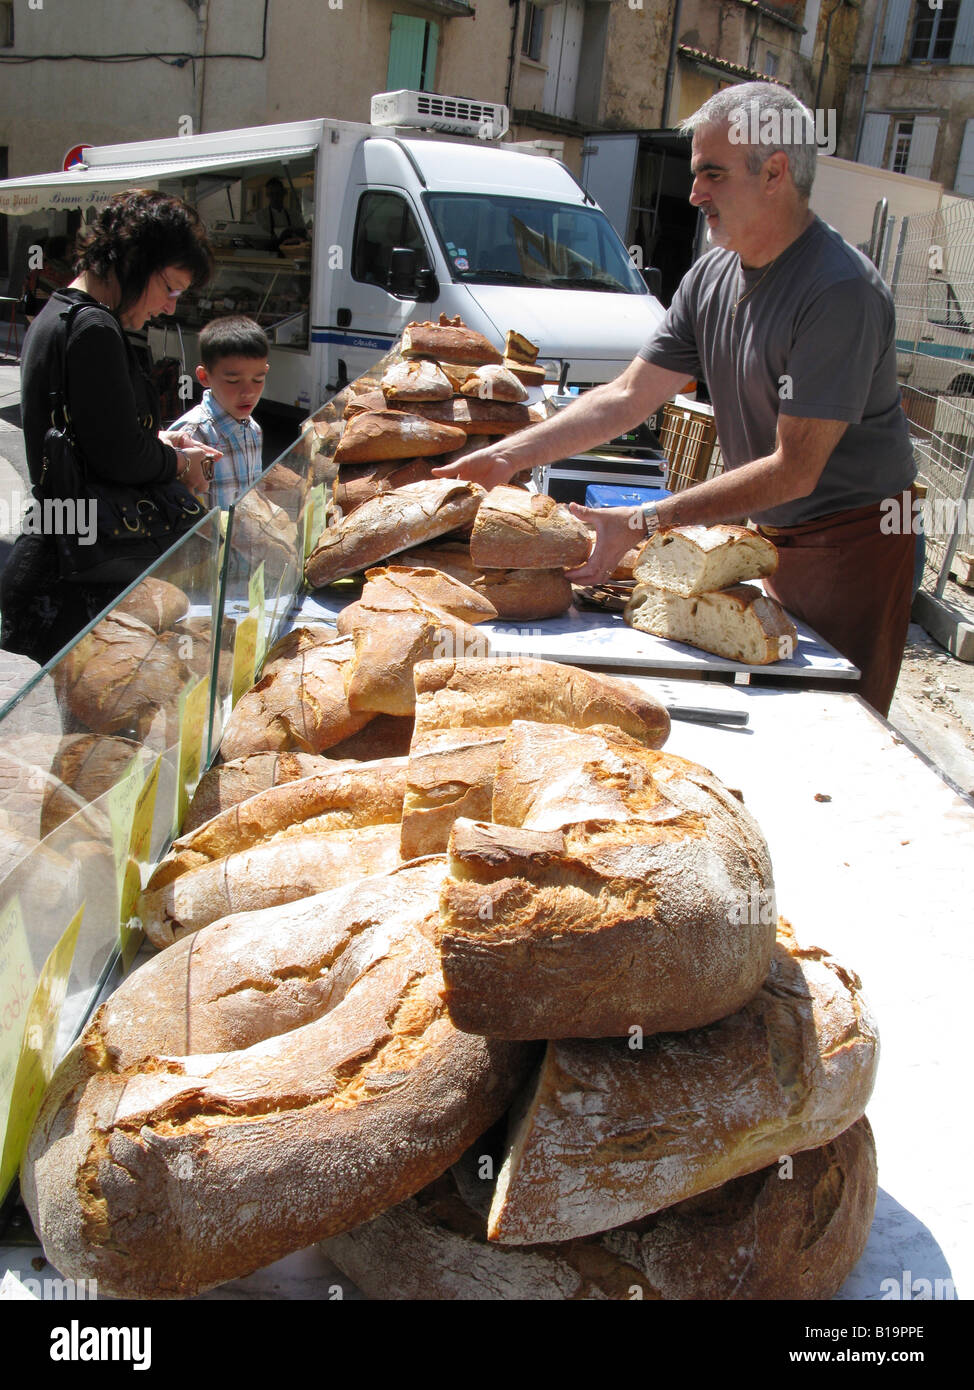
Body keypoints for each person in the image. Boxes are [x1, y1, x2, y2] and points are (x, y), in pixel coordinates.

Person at [433, 83, 918, 717]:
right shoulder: (713, 275)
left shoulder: (838, 291)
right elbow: (631, 395)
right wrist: (508, 454)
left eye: (711, 174)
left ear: (775, 173)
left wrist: (640, 522)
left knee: (831, 722)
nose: (694, 195)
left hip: (851, 546)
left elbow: (795, 469)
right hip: (769, 531)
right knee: (760, 702)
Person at [1, 189, 219, 666]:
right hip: (79, 573)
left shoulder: (59, 313)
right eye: (171, 288)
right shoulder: (95, 329)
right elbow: (119, 457)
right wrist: (182, 460)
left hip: (58, 544)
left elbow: (93, 439)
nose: (169, 307)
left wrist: (157, 442)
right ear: (137, 260)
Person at [168, 316, 268, 508]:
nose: (248, 392)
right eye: (233, 381)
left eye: (258, 379)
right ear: (204, 377)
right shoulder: (192, 435)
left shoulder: (254, 430)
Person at [254, 177, 307, 249]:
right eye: (271, 194)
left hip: (291, 253)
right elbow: (263, 236)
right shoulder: (260, 216)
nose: (275, 197)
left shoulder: (295, 215)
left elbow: (303, 232)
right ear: (267, 195)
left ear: (283, 193)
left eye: (277, 193)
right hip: (269, 254)